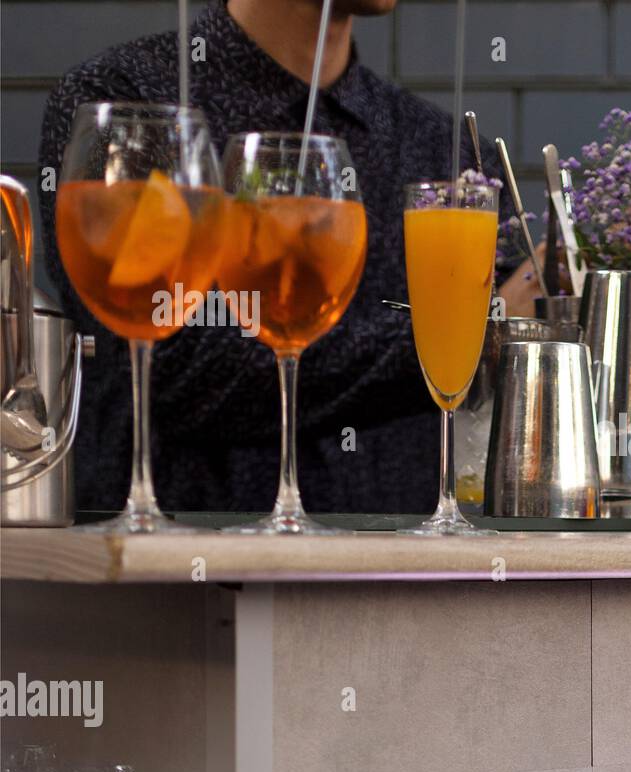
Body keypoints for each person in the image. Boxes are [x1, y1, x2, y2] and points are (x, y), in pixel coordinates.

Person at [39, 0, 543, 515]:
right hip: (184, 566)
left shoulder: (438, 143)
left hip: (405, 574)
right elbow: (173, 365)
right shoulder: (124, 98)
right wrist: (452, 337)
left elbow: (503, 336)